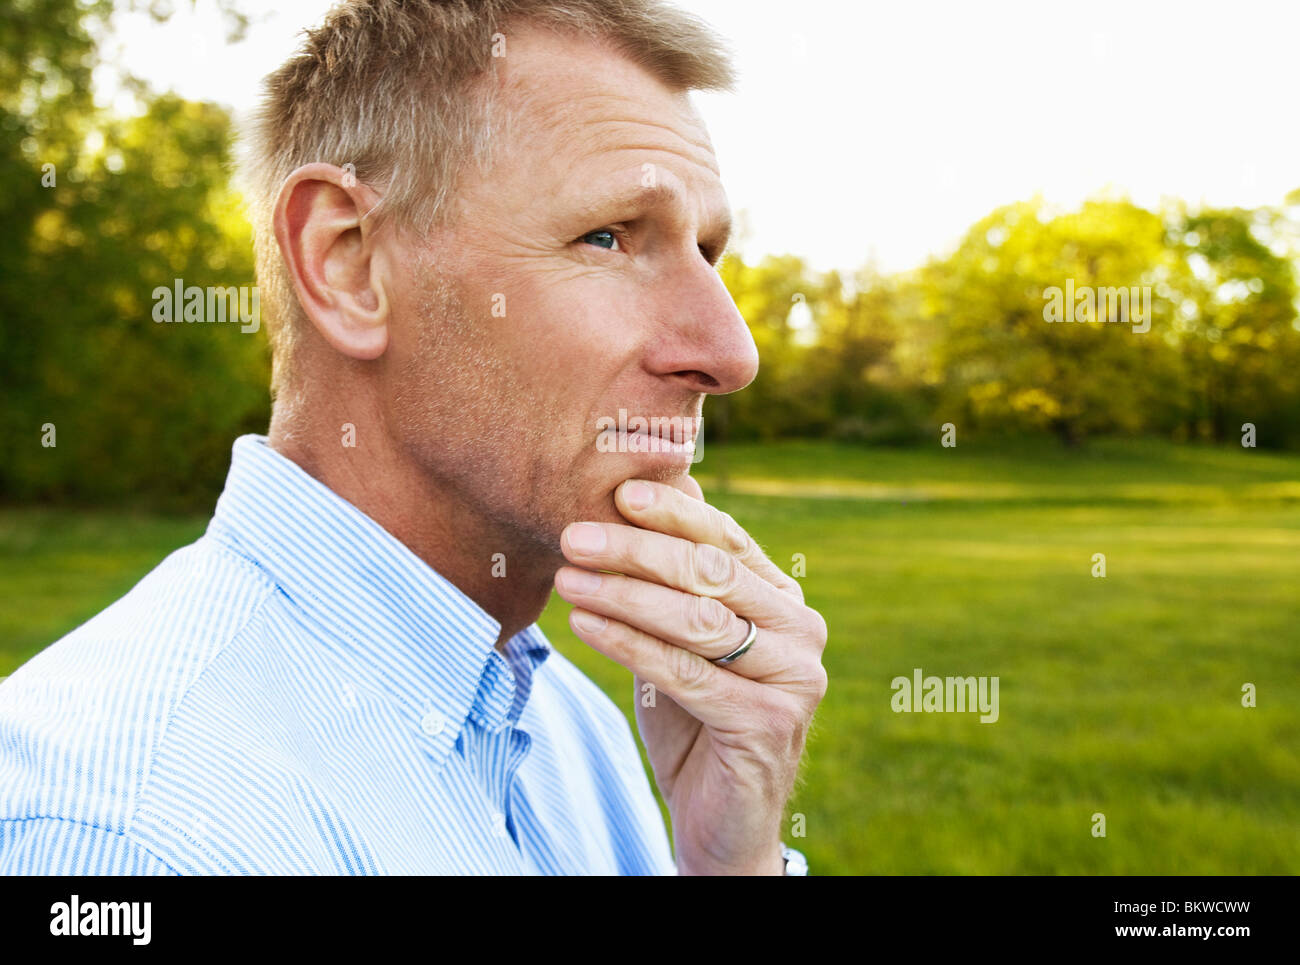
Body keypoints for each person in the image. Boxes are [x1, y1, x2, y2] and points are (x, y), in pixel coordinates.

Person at [0, 0, 827, 875]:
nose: (730, 353)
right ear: (347, 262)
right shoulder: (124, 834)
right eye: (609, 237)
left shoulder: (573, 727)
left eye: (707, 249)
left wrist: (731, 864)